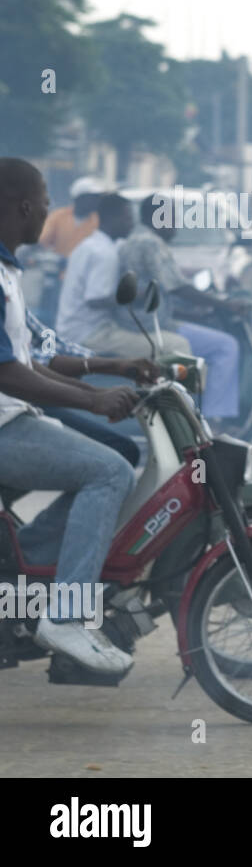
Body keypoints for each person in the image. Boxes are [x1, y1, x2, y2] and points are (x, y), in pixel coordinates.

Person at [0, 158, 146, 674]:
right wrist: (92, 399)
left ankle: (32, 572)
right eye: (43, 201)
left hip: (14, 416)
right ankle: (66, 615)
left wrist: (111, 372)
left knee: (109, 461)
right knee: (109, 470)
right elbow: (8, 375)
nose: (50, 211)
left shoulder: (9, 271)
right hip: (5, 423)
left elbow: (31, 361)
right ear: (23, 206)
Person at [121, 196, 246, 420]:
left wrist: (193, 313)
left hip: (143, 319)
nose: (176, 225)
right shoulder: (150, 242)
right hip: (152, 326)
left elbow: (158, 293)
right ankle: (213, 420)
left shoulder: (134, 238)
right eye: (172, 218)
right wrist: (225, 305)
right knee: (226, 347)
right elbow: (177, 287)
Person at [56, 193, 190, 359]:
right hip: (91, 334)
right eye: (127, 219)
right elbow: (96, 300)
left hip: (72, 328)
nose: (132, 225)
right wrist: (138, 295)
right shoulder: (104, 253)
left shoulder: (92, 244)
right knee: (177, 344)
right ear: (111, 219)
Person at [25, 307, 153, 467]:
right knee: (119, 455)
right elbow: (28, 364)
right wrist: (94, 395)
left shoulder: (11, 287)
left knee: (119, 451)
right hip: (14, 405)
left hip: (25, 400)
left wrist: (112, 364)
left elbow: (47, 343)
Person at [38, 176, 104, 257]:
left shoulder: (98, 221)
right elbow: (42, 241)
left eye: (97, 198)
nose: (97, 201)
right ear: (79, 198)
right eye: (93, 197)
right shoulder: (59, 216)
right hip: (58, 267)